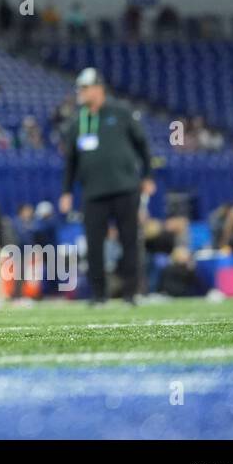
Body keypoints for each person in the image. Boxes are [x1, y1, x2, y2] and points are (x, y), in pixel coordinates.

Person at [59, 68, 153, 305]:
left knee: (129, 240)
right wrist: (67, 191)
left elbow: (142, 145)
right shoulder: (76, 121)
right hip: (93, 191)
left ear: (98, 89)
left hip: (125, 187)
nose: (80, 92)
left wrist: (148, 176)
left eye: (84, 88)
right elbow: (71, 160)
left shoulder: (121, 113)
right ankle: (99, 294)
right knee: (93, 244)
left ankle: (131, 293)